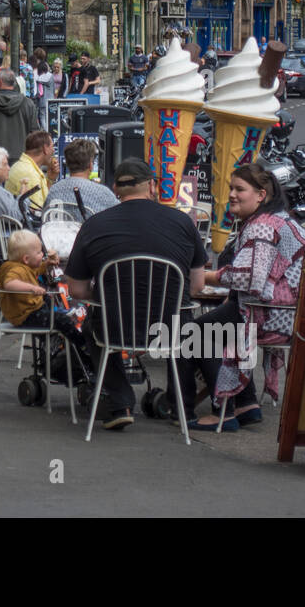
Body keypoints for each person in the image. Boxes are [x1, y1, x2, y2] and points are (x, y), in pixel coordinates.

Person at [63, 159, 206, 430]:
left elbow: (77, 290)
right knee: (192, 324)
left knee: (92, 326)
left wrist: (110, 291)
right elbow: (197, 286)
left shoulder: (94, 224)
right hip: (169, 328)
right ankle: (180, 408)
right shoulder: (182, 222)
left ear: (116, 189)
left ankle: (120, 402)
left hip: (115, 327)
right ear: (152, 186)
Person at [176, 164, 305, 431]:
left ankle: (222, 410)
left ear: (261, 195)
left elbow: (252, 277)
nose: (232, 195)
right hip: (292, 313)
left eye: (240, 189)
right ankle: (246, 404)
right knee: (227, 321)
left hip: (271, 314)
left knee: (195, 333)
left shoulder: (261, 226)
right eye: (231, 189)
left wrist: (209, 276)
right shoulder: (283, 219)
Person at [0, 230, 95, 366]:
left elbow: (36, 270)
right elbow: (9, 284)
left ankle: (59, 314)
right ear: (26, 259)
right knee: (60, 319)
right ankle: (83, 344)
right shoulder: (15, 270)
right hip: (25, 316)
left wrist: (47, 264)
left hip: (31, 311)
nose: (42, 254)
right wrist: (31, 288)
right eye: (39, 253)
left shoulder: (23, 266)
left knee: (47, 299)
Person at [46, 139, 118, 220]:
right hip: (90, 232)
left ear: (67, 164)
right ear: (91, 165)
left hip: (60, 232)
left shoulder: (53, 191)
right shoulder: (104, 194)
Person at [5, 130, 58, 210]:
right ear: (45, 149)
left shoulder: (24, 166)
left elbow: (41, 202)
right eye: (52, 146)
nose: (54, 150)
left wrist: (50, 179)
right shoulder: (30, 174)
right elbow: (37, 213)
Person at [32, 48, 52, 129]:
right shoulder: (46, 66)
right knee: (44, 116)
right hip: (47, 95)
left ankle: (44, 132)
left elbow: (37, 80)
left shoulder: (38, 68)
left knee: (41, 116)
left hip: (39, 96)